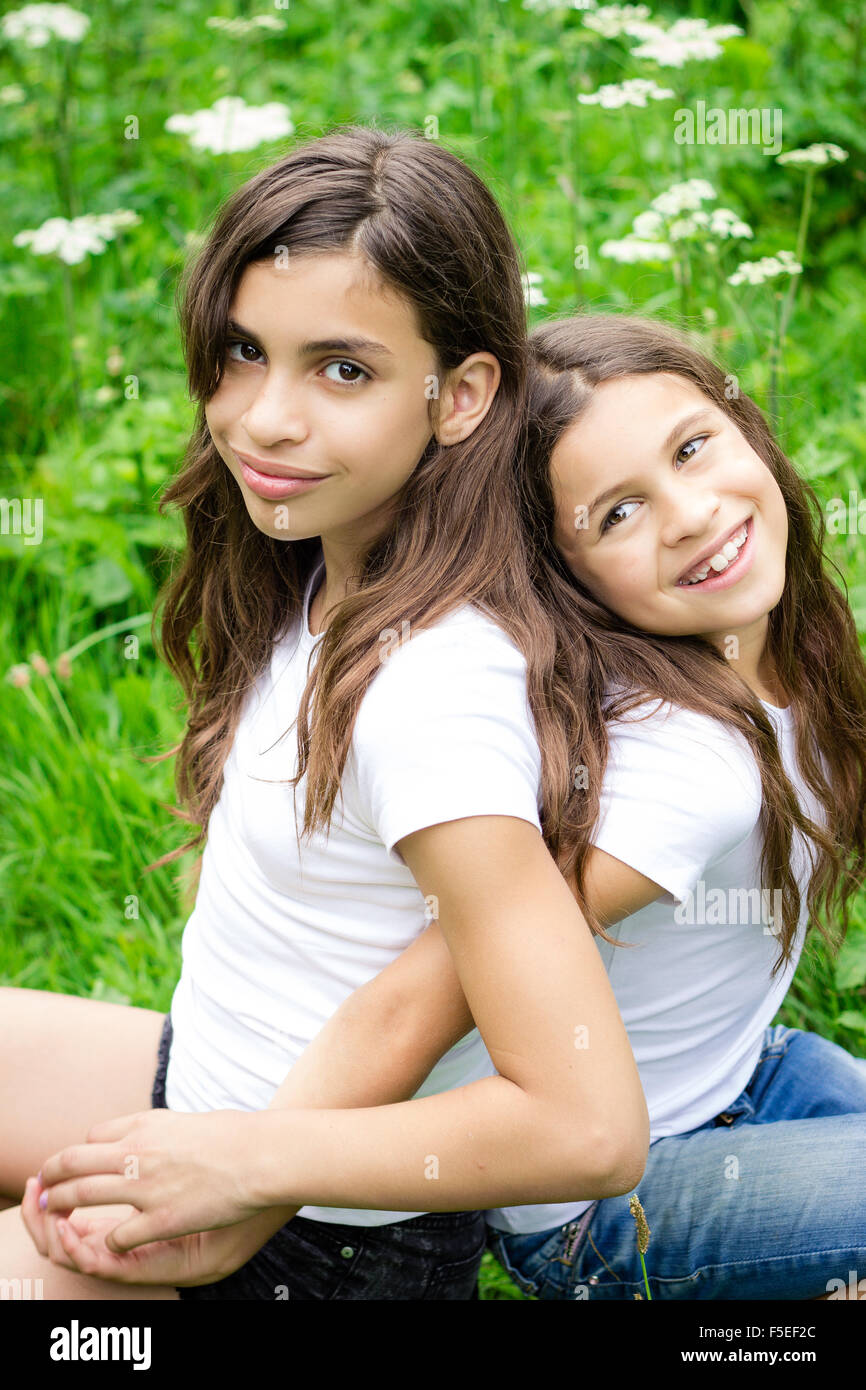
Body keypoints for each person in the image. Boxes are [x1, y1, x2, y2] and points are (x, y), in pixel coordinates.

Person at [39, 310, 866, 1303]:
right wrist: (246, 1189)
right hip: (597, 1207)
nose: (688, 514)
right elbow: (417, 999)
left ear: (746, 428)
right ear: (569, 582)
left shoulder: (782, 642)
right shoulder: (684, 768)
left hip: (742, 1074)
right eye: (615, 513)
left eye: (691, 448)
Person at [5, 130, 648, 1300]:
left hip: (318, 1236)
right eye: (244, 351)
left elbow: (588, 1124)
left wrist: (242, 1166)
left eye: (339, 369)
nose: (261, 419)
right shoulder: (319, 560)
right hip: (198, 1083)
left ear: (458, 396)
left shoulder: (433, 694)